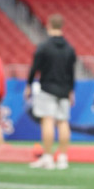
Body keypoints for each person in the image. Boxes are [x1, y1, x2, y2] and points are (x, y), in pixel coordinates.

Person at [25, 14, 77, 170]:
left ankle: (48, 157)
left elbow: (35, 68)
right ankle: (62, 157)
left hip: (47, 88)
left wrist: (28, 84)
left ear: (48, 25)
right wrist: (71, 90)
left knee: (48, 121)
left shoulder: (44, 46)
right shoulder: (69, 48)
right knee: (63, 122)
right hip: (64, 89)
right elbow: (71, 72)